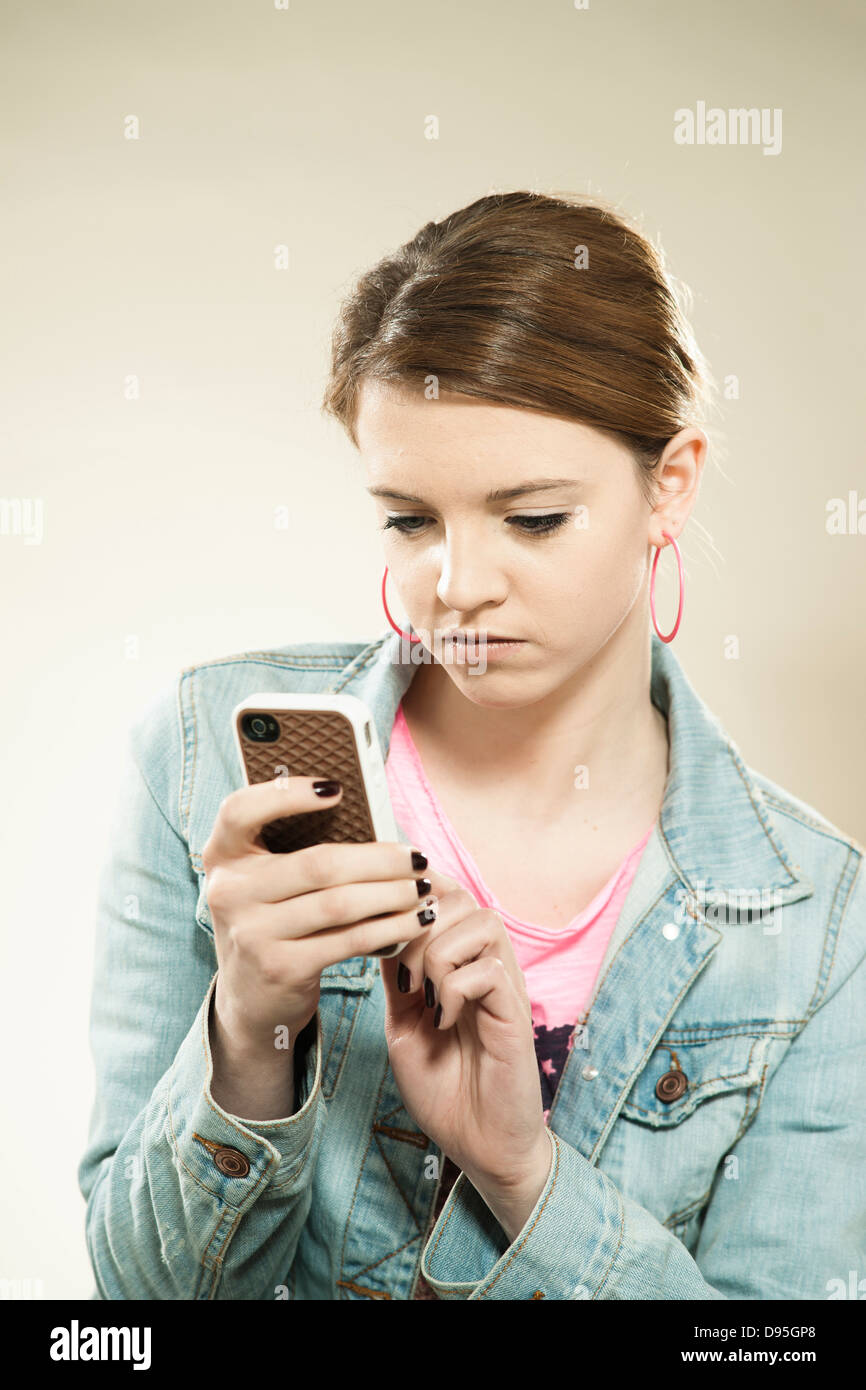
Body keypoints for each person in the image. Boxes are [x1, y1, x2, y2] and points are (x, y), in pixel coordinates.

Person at [79, 191, 866, 1300]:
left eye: (531, 518)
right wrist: (248, 1030)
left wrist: (520, 1172)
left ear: (668, 485)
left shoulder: (816, 926)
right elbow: (136, 1311)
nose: (455, 585)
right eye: (408, 518)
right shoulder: (200, 760)